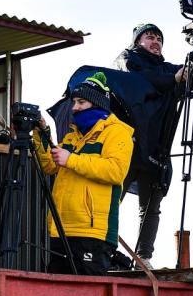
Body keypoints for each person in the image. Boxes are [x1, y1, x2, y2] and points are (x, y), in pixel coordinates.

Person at [113, 23, 193, 266]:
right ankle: (104, 247)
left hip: (158, 146)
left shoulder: (164, 68)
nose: (156, 41)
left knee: (151, 205)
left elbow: (192, 79)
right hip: (129, 142)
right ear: (137, 41)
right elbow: (139, 82)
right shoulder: (128, 59)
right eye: (150, 37)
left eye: (159, 38)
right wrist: (172, 78)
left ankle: (143, 256)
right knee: (113, 198)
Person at [34, 72, 134, 276]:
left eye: (81, 102)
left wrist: (70, 159)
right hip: (60, 229)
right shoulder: (73, 135)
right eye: (74, 102)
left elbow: (115, 171)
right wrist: (41, 133)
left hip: (93, 233)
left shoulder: (117, 132)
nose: (75, 107)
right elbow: (50, 166)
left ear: (97, 103)